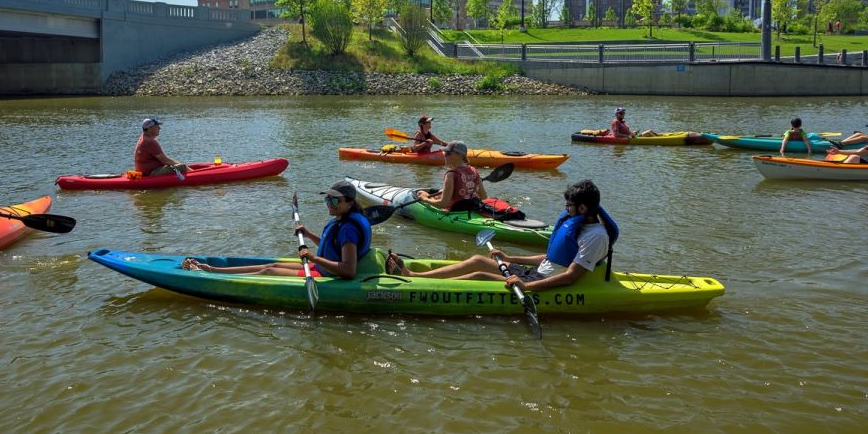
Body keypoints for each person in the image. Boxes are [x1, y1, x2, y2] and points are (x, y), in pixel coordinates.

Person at [386, 180, 611, 293]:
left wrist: (527, 287)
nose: (566, 209)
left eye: (569, 205)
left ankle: (418, 287)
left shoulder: (596, 236)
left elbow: (570, 276)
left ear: (582, 208)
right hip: (535, 274)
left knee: (479, 275)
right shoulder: (578, 224)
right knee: (477, 260)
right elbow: (551, 257)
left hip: (542, 283)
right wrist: (510, 258)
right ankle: (414, 275)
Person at [182, 181, 384, 280]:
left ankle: (212, 273)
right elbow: (331, 246)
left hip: (329, 276)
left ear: (350, 203)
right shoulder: (343, 219)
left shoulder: (348, 229)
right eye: (327, 199)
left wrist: (313, 258)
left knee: (268, 271)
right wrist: (308, 234)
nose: (330, 204)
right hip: (323, 268)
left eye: (335, 200)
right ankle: (212, 270)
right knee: (272, 265)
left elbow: (348, 270)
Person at [417, 141, 486, 211]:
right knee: (439, 193)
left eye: (448, 153)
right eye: (445, 152)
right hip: (471, 207)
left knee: (420, 193)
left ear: (459, 155)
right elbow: (483, 197)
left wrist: (425, 199)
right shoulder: (474, 171)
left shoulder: (451, 174)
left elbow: (443, 204)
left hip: (455, 210)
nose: (444, 155)